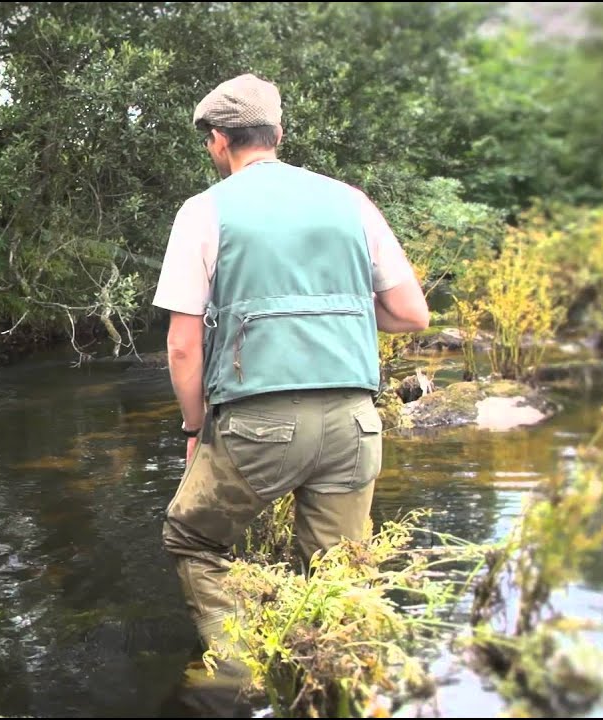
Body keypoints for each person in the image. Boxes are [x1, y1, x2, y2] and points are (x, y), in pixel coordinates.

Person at [150, 73, 430, 696]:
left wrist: (195, 429)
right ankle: (336, 693)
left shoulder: (204, 211)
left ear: (218, 142)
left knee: (192, 537)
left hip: (258, 425)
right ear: (277, 134)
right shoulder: (351, 200)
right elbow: (413, 314)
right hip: (357, 425)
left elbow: (181, 344)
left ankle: (237, 678)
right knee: (337, 578)